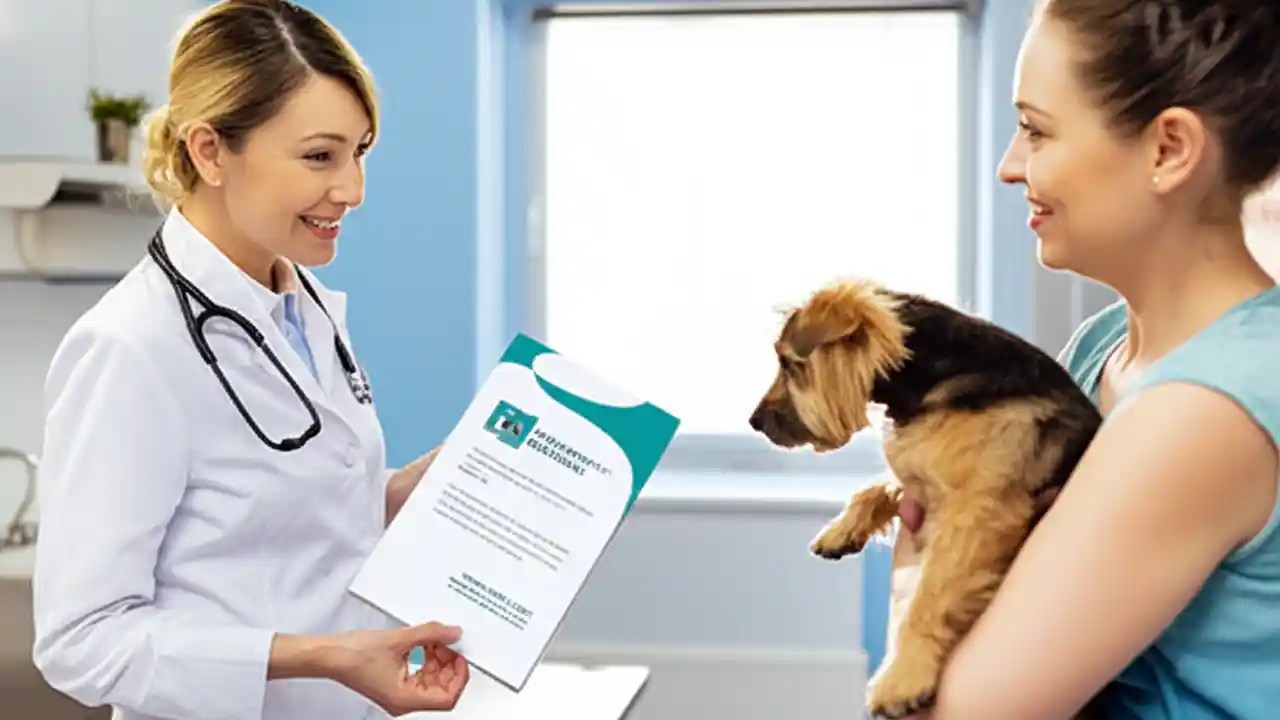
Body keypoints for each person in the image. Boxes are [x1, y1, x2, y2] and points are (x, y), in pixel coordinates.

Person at [31, 2, 469, 718]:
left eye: (360, 152)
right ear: (210, 151)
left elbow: (272, 520)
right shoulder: (131, 348)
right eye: (319, 156)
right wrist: (324, 657)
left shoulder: (307, 305)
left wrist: (405, 487)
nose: (352, 190)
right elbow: (82, 639)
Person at [884, 0, 1280, 717]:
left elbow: (943, 707)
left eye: (1036, 131)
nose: (1010, 167)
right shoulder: (1100, 350)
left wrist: (917, 564)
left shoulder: (1201, 414)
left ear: (1168, 150)